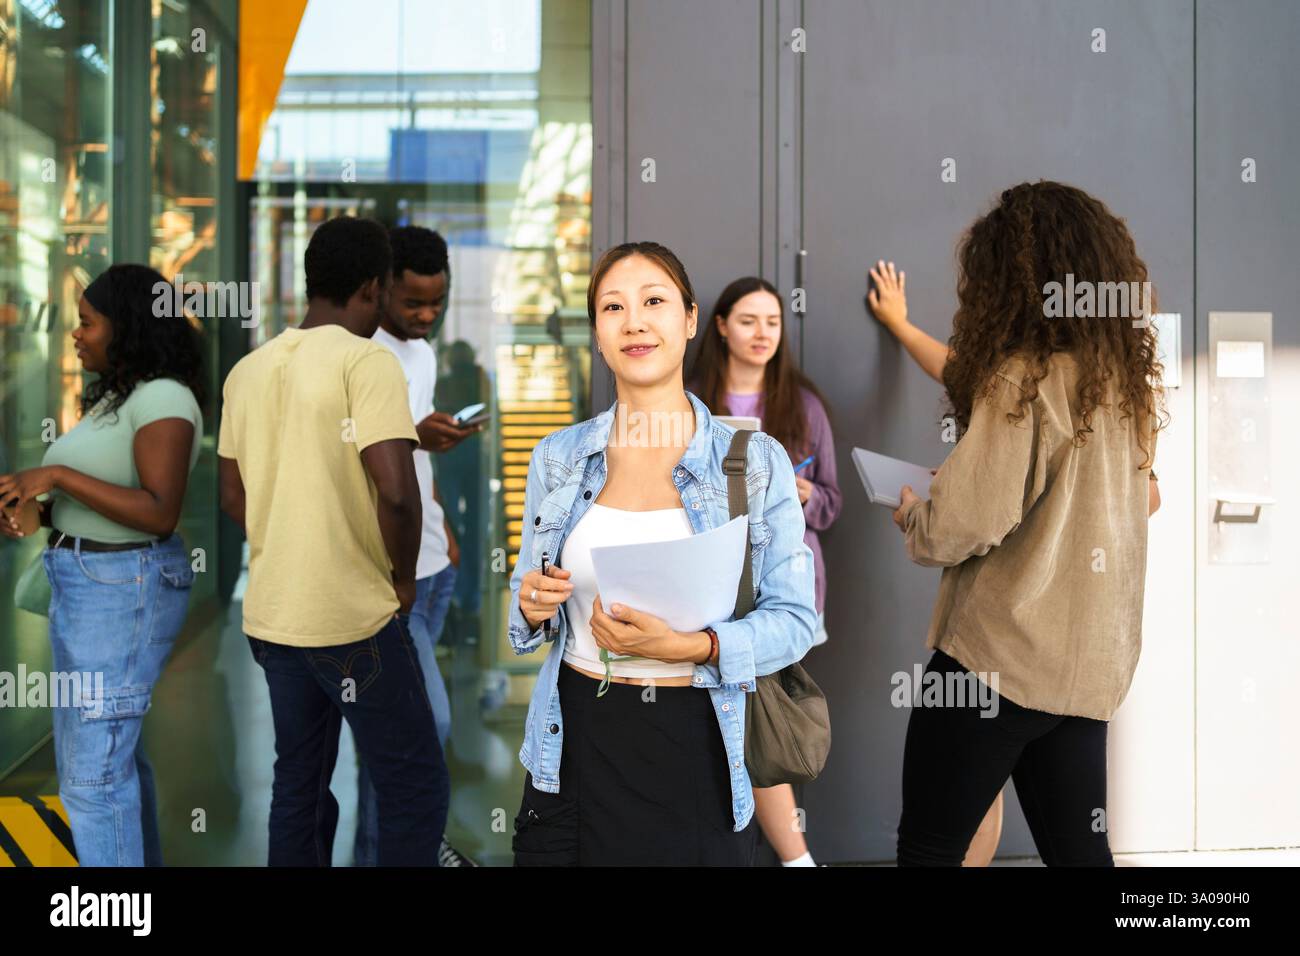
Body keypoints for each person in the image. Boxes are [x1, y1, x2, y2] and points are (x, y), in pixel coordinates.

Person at [508, 241, 817, 866]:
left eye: (654, 301)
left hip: (697, 744)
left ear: (691, 319)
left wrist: (697, 647)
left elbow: (795, 622)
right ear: (597, 332)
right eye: (612, 307)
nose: (635, 321)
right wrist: (532, 605)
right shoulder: (559, 457)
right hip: (571, 745)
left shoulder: (754, 462)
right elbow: (526, 613)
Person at [889, 181, 1165, 866]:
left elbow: (964, 523)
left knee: (930, 848)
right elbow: (1146, 498)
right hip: (1087, 667)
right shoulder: (1125, 381)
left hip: (996, 663)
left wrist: (915, 515)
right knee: (1079, 854)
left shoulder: (1022, 377)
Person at [217, 215, 447, 866]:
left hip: (272, 619)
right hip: (353, 621)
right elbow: (398, 494)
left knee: (300, 786)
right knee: (414, 786)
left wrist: (290, 539)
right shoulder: (366, 361)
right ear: (372, 288)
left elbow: (234, 496)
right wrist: (401, 582)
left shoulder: (249, 370)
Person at [0, 264, 204, 866]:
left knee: (93, 780)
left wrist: (57, 475)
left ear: (129, 326)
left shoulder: (165, 397)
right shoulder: (119, 398)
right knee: (112, 760)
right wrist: (31, 509)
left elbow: (160, 509)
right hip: (94, 588)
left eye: (88, 323)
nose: (76, 334)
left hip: (123, 589)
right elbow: (87, 503)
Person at [688, 275, 840, 867]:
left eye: (772, 322)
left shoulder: (803, 405)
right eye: (748, 320)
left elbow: (833, 503)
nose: (761, 334)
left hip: (783, 592)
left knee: (770, 726)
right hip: (711, 593)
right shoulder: (692, 399)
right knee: (723, 728)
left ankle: (786, 855)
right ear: (720, 326)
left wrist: (801, 494)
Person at [866, 260, 1004, 866]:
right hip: (1014, 633)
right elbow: (956, 369)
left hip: (996, 636)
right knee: (997, 795)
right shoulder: (1011, 378)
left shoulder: (1041, 387)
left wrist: (934, 510)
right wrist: (900, 325)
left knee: (940, 821)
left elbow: (948, 531)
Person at [354, 225, 480, 868]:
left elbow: (414, 467)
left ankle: (390, 852)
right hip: (391, 576)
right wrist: (411, 436)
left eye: (438, 301)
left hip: (432, 570)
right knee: (421, 729)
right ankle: (410, 851)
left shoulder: (422, 354)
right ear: (380, 290)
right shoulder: (360, 354)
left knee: (396, 739)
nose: (426, 314)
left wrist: (447, 531)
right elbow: (352, 460)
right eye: (412, 302)